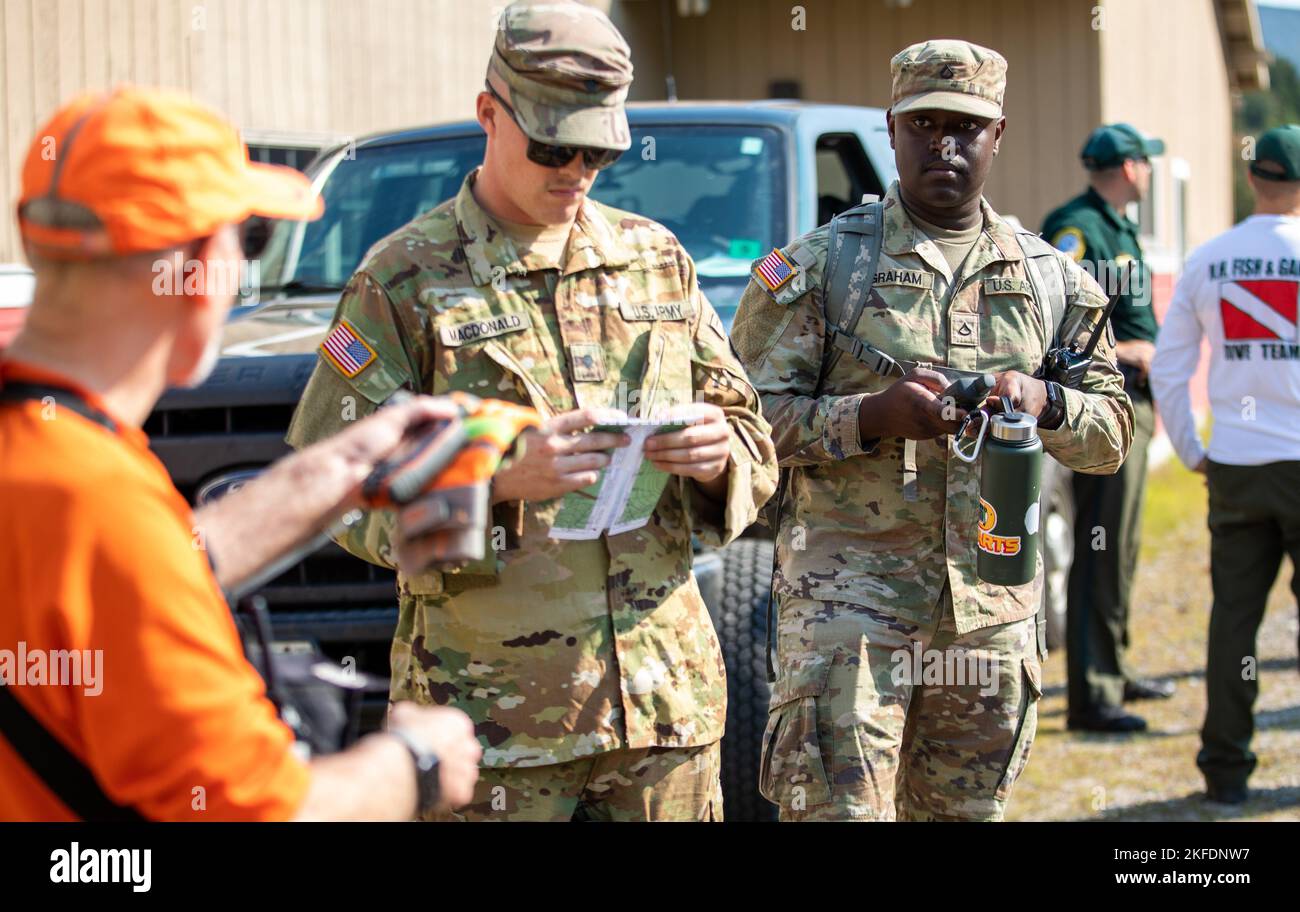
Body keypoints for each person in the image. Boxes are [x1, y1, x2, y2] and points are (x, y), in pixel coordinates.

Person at [287, 0, 778, 822]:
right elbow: (334, 489)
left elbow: (753, 435)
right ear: (490, 113)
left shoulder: (655, 260)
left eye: (597, 150)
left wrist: (717, 451)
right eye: (554, 144)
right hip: (489, 724)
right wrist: (497, 480)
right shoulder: (404, 280)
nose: (576, 170)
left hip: (664, 707)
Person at [0, 87, 482, 821]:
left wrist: (344, 469)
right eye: (248, 238)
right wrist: (416, 759)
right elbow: (263, 815)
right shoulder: (97, 501)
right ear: (197, 265)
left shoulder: (54, 456)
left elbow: (146, 577)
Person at [730, 39, 1134, 822]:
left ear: (1000, 134)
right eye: (925, 126)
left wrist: (1043, 401)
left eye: (966, 128)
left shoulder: (1053, 280)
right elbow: (743, 426)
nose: (944, 145)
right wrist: (871, 417)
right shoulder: (817, 269)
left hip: (989, 615)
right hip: (847, 615)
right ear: (891, 128)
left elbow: (1112, 433)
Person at [1150, 124, 1300, 805]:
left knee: (1233, 622)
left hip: (1237, 463)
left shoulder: (1209, 260)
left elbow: (1171, 371)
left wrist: (1190, 449)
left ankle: (1226, 772)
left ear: (1252, 179)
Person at [1041, 123, 1176, 734]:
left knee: (1118, 548)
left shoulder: (1115, 226)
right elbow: (1052, 315)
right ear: (1127, 167)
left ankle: (1113, 672)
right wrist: (1125, 353)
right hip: (1104, 403)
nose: (1148, 171)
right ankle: (1092, 695)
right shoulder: (1077, 227)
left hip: (1134, 402)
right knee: (1099, 545)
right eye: (1145, 162)